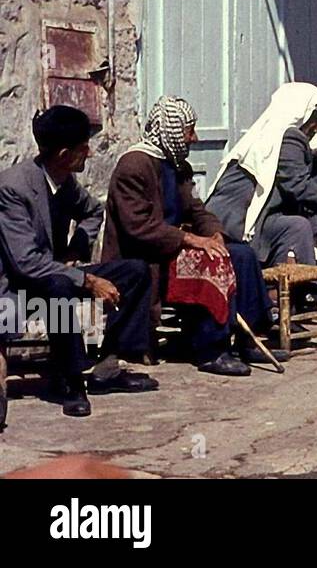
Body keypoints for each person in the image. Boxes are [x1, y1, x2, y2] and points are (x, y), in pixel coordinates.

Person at [102, 97, 286, 376]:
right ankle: (211, 349)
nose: (194, 138)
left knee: (241, 254)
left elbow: (197, 210)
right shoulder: (134, 166)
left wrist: (214, 234)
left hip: (174, 247)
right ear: (171, 131)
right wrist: (190, 240)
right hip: (147, 254)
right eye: (189, 131)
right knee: (210, 263)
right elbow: (138, 227)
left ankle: (249, 339)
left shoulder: (178, 167)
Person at [0, 107, 157, 418]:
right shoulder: (13, 188)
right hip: (19, 287)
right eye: (83, 147)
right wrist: (87, 280)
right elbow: (26, 263)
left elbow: (92, 212)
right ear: (63, 154)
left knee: (136, 271)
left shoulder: (65, 181)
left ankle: (108, 366)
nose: (89, 151)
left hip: (55, 271)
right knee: (59, 288)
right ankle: (71, 381)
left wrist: (76, 248)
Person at [207, 84, 317, 267]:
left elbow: (287, 169)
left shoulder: (278, 135)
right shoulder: (289, 137)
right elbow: (297, 186)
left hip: (241, 215)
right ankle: (298, 289)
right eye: (315, 120)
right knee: (296, 227)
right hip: (236, 219)